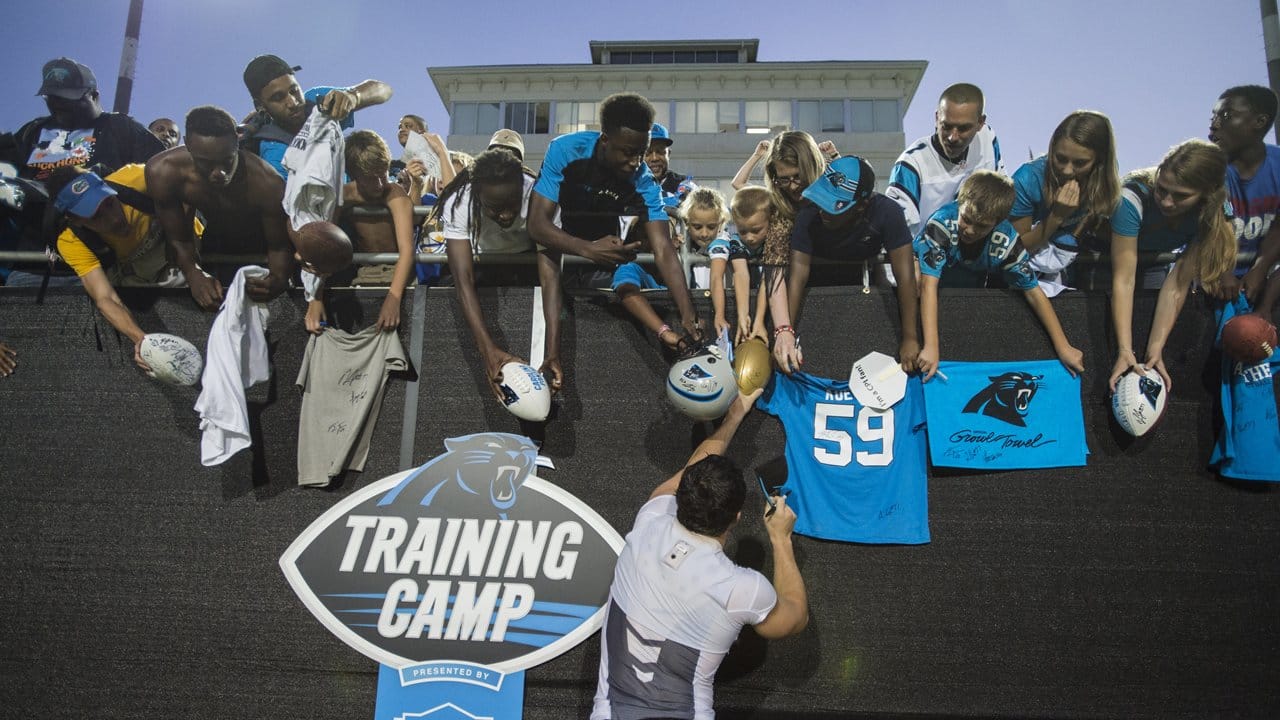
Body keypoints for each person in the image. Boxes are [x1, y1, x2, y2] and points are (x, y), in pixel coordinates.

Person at [590, 388, 808, 720]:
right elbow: (794, 620)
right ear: (736, 518)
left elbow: (688, 473)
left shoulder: (649, 522)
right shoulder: (742, 589)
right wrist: (780, 539)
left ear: (682, 497)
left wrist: (733, 415)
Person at [527, 92, 703, 343]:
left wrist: (688, 313)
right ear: (606, 139)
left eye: (642, 152)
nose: (637, 162)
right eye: (629, 152)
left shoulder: (643, 180)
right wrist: (587, 249)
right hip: (567, 253)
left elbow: (664, 249)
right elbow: (536, 225)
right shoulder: (565, 150)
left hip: (607, 262)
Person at [8, 57, 164, 287]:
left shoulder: (122, 128)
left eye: (68, 98)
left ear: (93, 95)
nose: (58, 104)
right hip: (33, 266)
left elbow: (164, 182)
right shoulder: (33, 131)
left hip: (106, 267)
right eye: (52, 98)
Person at [915, 170, 1085, 379]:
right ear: (960, 203)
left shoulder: (1005, 240)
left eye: (981, 226)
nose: (970, 230)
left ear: (998, 222)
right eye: (966, 219)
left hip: (968, 287)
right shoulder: (941, 223)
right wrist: (931, 347)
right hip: (928, 282)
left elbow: (1033, 292)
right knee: (915, 276)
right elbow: (928, 286)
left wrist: (1063, 346)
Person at [767, 156, 922, 374]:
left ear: (862, 205)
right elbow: (797, 276)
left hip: (862, 284)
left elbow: (905, 277)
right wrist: (787, 333)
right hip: (815, 287)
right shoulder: (808, 215)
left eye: (833, 206)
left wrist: (910, 338)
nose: (823, 210)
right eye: (822, 199)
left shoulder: (888, 212)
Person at [45, 165, 202, 371]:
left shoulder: (138, 178)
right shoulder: (70, 240)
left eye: (110, 203)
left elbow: (190, 186)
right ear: (74, 219)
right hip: (135, 269)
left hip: (181, 247)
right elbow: (105, 297)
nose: (115, 219)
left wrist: (183, 248)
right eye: (96, 216)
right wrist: (143, 341)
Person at [1108, 144, 1237, 392]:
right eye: (1162, 190)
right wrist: (1125, 349)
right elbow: (1123, 279)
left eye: (1180, 195)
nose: (1166, 202)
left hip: (1155, 265)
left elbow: (1178, 283)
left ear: (1206, 194)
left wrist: (1156, 349)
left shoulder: (1212, 212)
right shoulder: (1131, 199)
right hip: (1106, 261)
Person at [437, 148, 564, 398]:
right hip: (483, 260)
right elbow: (464, 281)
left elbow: (550, 278)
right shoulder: (460, 201)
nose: (505, 215)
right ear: (478, 195)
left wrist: (553, 351)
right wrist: (488, 352)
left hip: (526, 260)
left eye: (512, 205)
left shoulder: (541, 196)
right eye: (494, 208)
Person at [146, 105, 295, 309]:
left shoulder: (268, 183)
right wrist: (192, 273)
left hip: (260, 245)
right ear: (188, 144)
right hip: (214, 242)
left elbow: (279, 247)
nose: (220, 173)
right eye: (207, 163)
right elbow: (177, 238)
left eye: (227, 161)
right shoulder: (162, 172)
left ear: (237, 141)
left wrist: (278, 279)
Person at [304, 130, 416, 334]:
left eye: (384, 174)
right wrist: (315, 298)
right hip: (363, 271)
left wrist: (394, 298)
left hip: (398, 272)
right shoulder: (343, 196)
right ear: (354, 174)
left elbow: (407, 250)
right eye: (371, 178)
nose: (380, 184)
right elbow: (323, 247)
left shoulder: (394, 192)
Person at [1009, 110, 1120, 296]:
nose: (1067, 170)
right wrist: (1056, 216)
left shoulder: (1102, 183)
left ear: (1098, 161)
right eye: (1060, 159)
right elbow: (1016, 249)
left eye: (1080, 163)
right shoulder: (1027, 179)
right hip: (1027, 272)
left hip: (1077, 266)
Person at [240, 54, 392, 178]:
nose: (292, 103)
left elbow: (384, 90)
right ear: (260, 106)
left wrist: (353, 97)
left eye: (294, 90)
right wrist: (352, 193)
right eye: (278, 98)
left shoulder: (317, 100)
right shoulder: (274, 155)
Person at [885, 82, 1004, 236]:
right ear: (937, 117)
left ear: (980, 123)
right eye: (946, 126)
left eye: (963, 129)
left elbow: (1000, 199)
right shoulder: (910, 165)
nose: (952, 137)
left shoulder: (987, 138)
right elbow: (898, 236)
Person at [1209, 85, 1280, 296]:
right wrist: (1223, 272)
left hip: (1264, 279)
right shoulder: (1208, 169)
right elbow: (1211, 230)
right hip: (1209, 280)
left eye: (1226, 115)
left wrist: (1261, 268)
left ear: (1259, 121)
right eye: (1213, 116)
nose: (1214, 124)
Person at [394, 113, 453, 199]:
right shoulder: (393, 165)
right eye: (400, 127)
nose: (402, 129)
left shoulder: (443, 164)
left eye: (408, 126)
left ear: (421, 131)